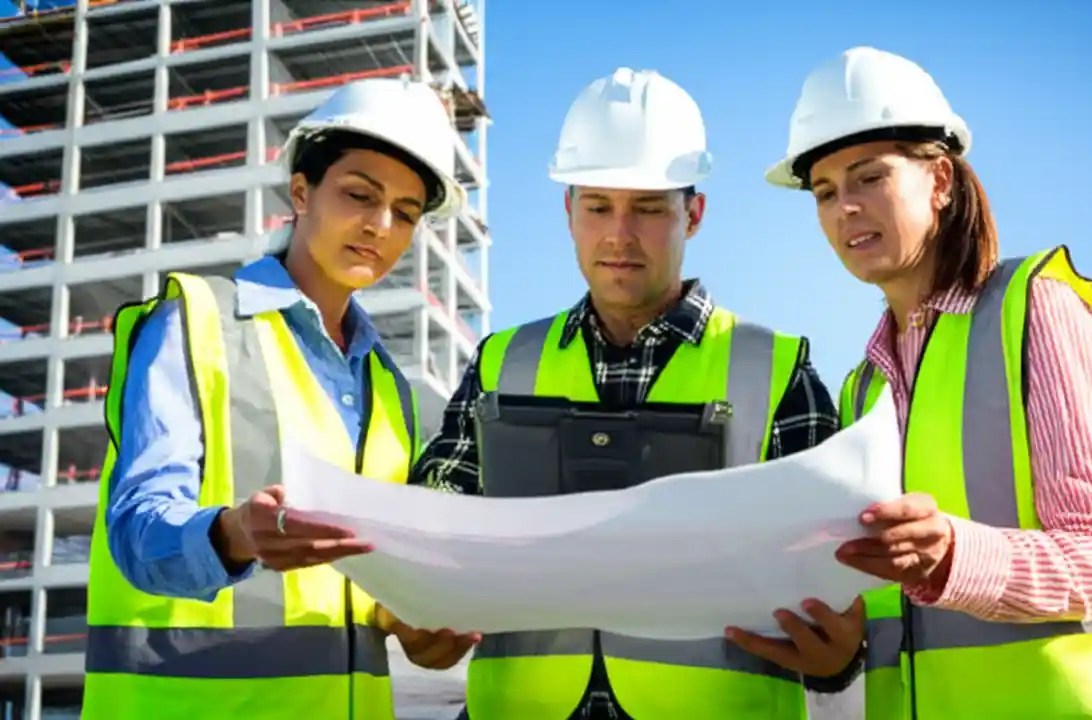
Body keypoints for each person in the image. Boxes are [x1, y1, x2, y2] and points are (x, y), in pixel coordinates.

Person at [412, 67, 863, 720]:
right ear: (569, 213)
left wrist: (839, 653)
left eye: (649, 208)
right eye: (598, 206)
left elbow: (832, 569)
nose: (620, 234)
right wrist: (426, 592)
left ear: (694, 215)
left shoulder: (776, 369)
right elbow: (439, 502)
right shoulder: (502, 362)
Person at [763, 46, 1092, 718]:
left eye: (869, 177)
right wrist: (834, 656)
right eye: (824, 193)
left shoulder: (1037, 313)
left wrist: (954, 554)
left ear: (939, 180)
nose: (845, 207)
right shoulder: (860, 393)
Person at [82, 77, 478, 719]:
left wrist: (414, 627)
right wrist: (234, 533)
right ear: (301, 191)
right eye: (359, 195)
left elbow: (361, 584)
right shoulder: (198, 321)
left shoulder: (386, 385)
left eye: (405, 213)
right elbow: (137, 533)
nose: (380, 226)